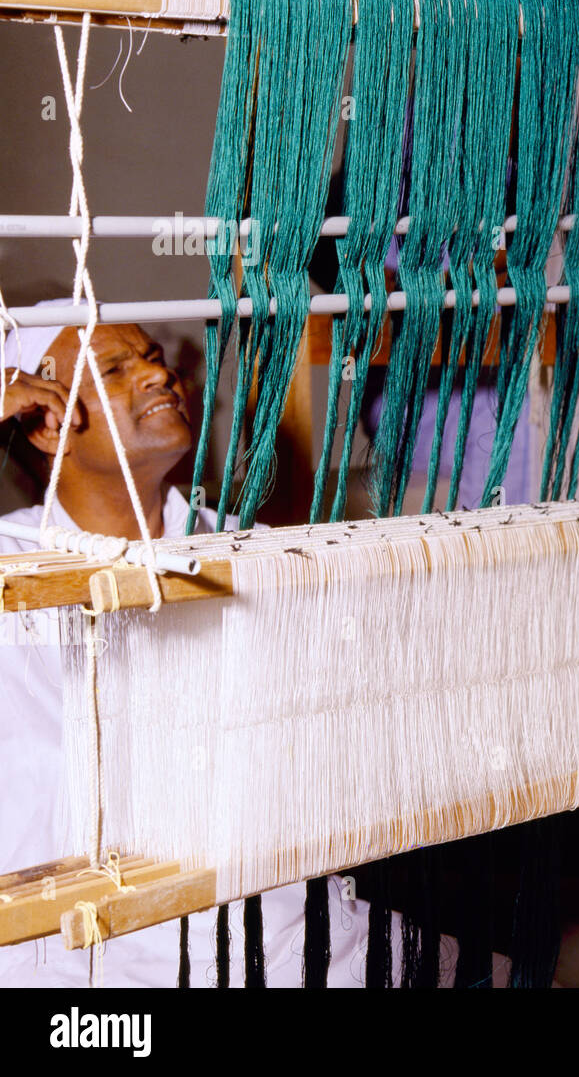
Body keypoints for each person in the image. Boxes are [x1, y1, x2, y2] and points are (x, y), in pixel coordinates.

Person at [0, 309, 372, 987]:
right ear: (49, 423)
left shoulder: (239, 546)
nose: (160, 371)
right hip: (75, 955)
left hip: (272, 922)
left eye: (152, 356)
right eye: (117, 368)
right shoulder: (9, 559)